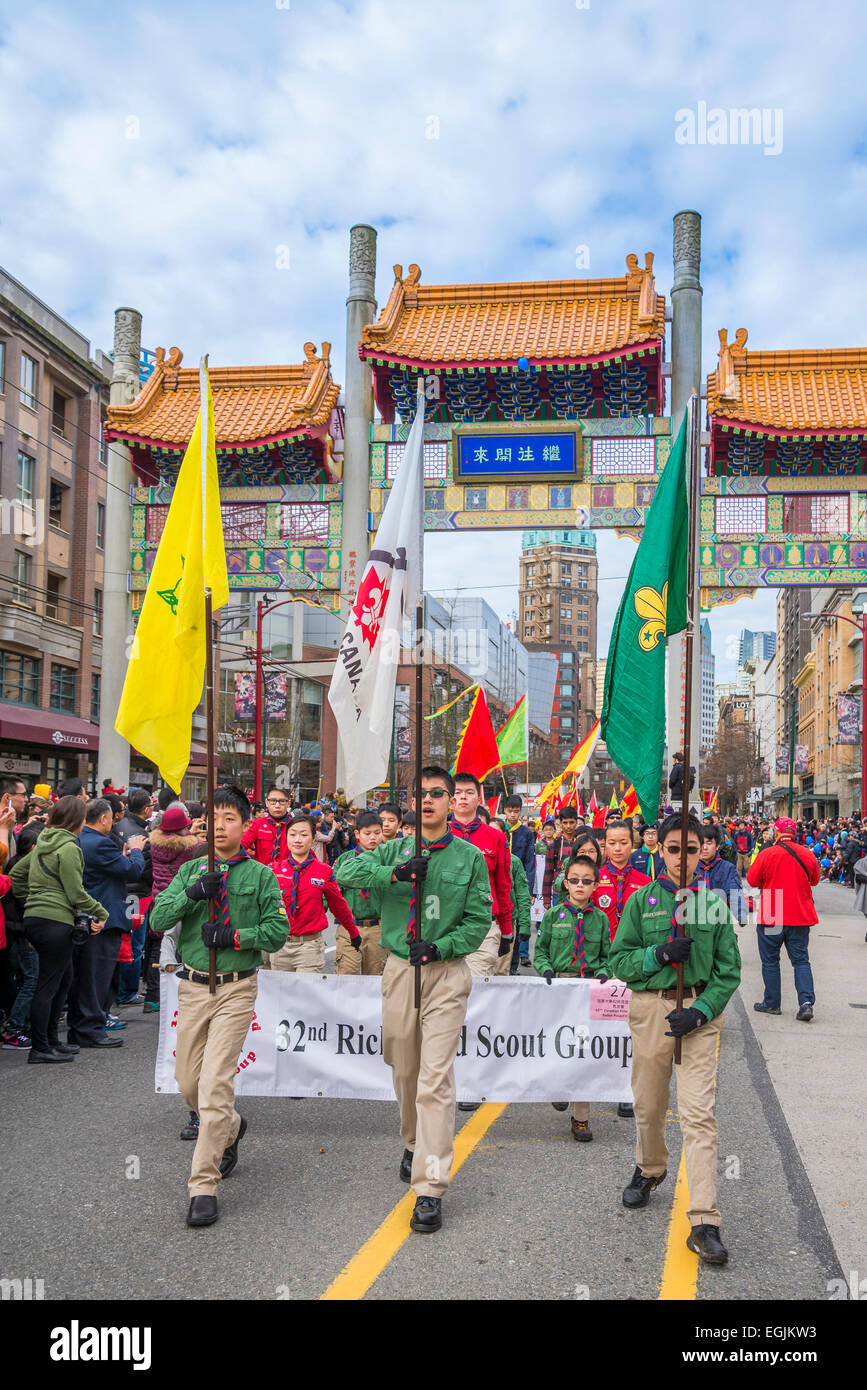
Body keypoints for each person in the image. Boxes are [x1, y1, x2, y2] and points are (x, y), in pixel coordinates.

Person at [335, 765, 492, 1234]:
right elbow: (344, 869)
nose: (429, 801)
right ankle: (413, 1140)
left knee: (435, 1078)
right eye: (420, 794)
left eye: (438, 793)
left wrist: (443, 946)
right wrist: (395, 872)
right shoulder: (393, 848)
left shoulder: (468, 857)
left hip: (444, 973)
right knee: (403, 1067)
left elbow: (479, 917)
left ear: (453, 801)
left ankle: (430, 1185)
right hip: (401, 969)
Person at [149, 784, 290, 1227]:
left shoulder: (261, 875)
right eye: (216, 818)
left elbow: (277, 931)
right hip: (191, 987)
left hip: (235, 987)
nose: (222, 826)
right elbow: (156, 920)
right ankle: (230, 1126)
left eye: (232, 818)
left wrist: (236, 937)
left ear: (245, 826)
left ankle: (202, 1184)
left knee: (213, 1085)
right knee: (186, 1079)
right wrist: (191, 894)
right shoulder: (191, 870)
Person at [609, 811, 741, 1265]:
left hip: (699, 1015)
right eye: (673, 849)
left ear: (703, 850)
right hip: (651, 1009)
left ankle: (705, 1221)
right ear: (658, 850)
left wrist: (702, 1010)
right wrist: (658, 953)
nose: (682, 858)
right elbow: (618, 962)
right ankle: (650, 1168)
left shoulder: (714, 905)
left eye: (691, 849)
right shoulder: (639, 901)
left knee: (698, 1115)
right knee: (647, 1105)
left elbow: (729, 972)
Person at [9, 796, 108, 1063]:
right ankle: (40, 1047)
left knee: (62, 979)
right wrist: (102, 912)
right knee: (49, 984)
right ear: (77, 820)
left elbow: (16, 876)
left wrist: (32, 898)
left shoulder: (42, 844)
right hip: (56, 921)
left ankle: (52, 1041)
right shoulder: (69, 848)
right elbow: (76, 894)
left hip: (35, 919)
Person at [535, 854, 610, 1140]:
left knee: (584, 1052)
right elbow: (540, 951)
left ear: (595, 885)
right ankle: (559, 1087)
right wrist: (544, 969)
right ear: (566, 883)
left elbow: (606, 955)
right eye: (575, 880)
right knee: (559, 1044)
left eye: (586, 881)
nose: (580, 885)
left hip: (588, 986)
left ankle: (581, 1117)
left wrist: (603, 971)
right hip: (560, 987)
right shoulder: (554, 916)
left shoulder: (600, 919)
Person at [72, 799, 147, 1049]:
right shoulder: (100, 843)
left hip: (87, 915)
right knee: (97, 977)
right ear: (104, 818)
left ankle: (83, 1026)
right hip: (103, 917)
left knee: (87, 976)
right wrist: (136, 851)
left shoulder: (80, 840)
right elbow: (132, 870)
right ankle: (91, 1028)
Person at [747, 816, 820, 1021]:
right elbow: (814, 880)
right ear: (793, 833)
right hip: (799, 914)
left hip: (772, 912)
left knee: (770, 960)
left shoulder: (767, 854)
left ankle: (772, 1003)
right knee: (801, 961)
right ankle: (806, 1004)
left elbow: (752, 880)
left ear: (776, 833)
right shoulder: (807, 854)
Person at [270, 814, 360, 972]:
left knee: (306, 995)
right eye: (292, 834)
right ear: (286, 838)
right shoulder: (274, 870)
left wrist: (353, 931)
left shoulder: (323, 871)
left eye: (304, 835)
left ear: (313, 839)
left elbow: (337, 905)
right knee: (281, 995)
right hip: (280, 945)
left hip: (309, 946)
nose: (297, 840)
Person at [449, 773, 512, 979]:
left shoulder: (496, 837)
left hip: (484, 925)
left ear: (479, 799)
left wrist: (506, 929)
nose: (463, 797)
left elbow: (503, 884)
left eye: (469, 793)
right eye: (457, 793)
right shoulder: (437, 835)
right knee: (445, 989)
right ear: (450, 799)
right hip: (445, 925)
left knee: (477, 987)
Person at [333, 811, 387, 975]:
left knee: (376, 979)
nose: (373, 838)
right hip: (349, 927)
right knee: (346, 976)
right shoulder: (345, 860)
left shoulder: (387, 859)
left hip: (378, 928)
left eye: (377, 833)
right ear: (357, 834)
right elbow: (333, 891)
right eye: (367, 833)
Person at [696, 825, 748, 925]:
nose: (704, 847)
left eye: (709, 843)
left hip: (720, 922)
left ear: (717, 846)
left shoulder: (728, 868)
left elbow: (735, 892)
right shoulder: (690, 867)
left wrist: (740, 914)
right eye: (701, 843)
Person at [542, 804, 581, 908]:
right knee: (559, 923)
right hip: (558, 893)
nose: (568, 826)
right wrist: (546, 898)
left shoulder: (582, 843)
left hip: (580, 890)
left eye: (571, 822)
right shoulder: (553, 845)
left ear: (576, 822)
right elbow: (548, 872)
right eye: (565, 823)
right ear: (560, 823)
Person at [241, 786, 291, 863]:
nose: (277, 805)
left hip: (289, 873)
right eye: (273, 801)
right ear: (267, 803)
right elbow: (241, 845)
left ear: (288, 803)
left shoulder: (296, 825)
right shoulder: (257, 824)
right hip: (262, 872)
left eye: (282, 801)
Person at [503, 795, 535, 894]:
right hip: (500, 877)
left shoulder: (527, 833)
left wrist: (529, 889)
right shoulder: (498, 830)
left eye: (516, 812)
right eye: (509, 811)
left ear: (520, 811)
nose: (512, 815)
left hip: (519, 879)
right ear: (504, 810)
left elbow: (530, 862)